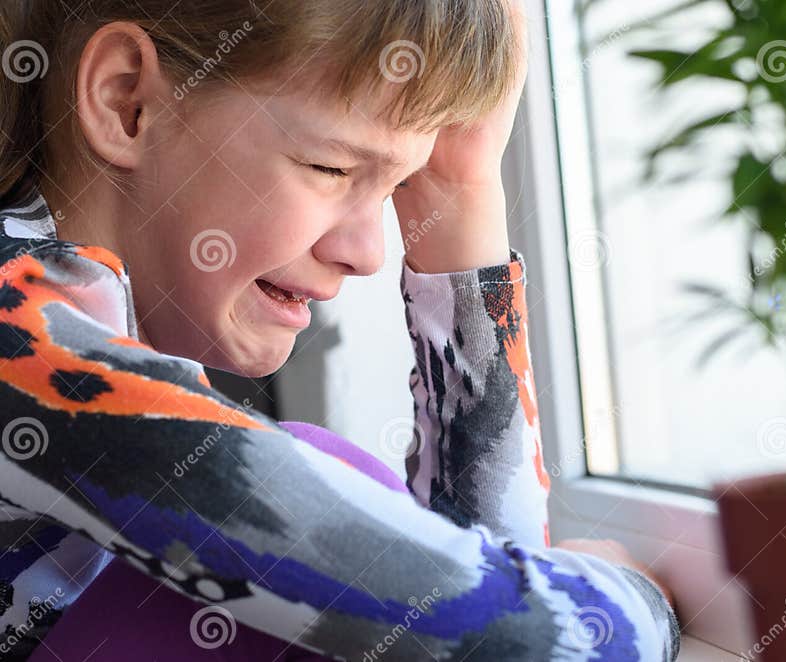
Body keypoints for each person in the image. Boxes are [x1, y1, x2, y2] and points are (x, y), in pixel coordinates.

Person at [0, 0, 680, 660]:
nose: (368, 254)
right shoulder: (22, 345)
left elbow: (467, 583)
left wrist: (462, 192)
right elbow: (530, 641)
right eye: (331, 168)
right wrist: (635, 593)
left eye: (398, 185)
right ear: (127, 102)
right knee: (324, 482)